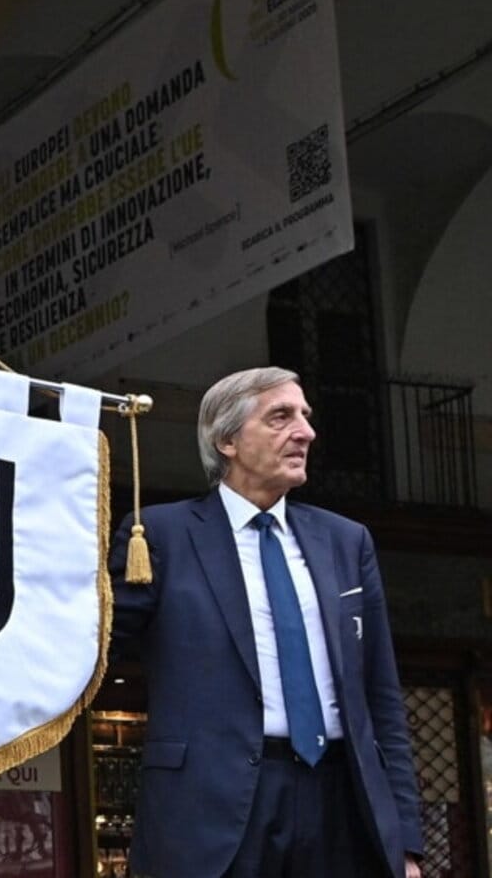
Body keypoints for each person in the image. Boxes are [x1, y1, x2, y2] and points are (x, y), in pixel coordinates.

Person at [109, 367, 422, 877]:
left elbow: (381, 696)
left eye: (305, 416)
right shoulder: (161, 535)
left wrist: (407, 842)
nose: (305, 431)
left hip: (342, 801)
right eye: (281, 416)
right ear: (226, 439)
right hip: (215, 810)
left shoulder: (346, 541)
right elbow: (100, 644)